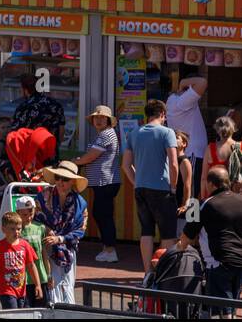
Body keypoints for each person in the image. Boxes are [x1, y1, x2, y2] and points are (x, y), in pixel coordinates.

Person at [122, 99, 180, 274]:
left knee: (146, 231)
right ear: (162, 114)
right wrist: (174, 186)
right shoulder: (167, 132)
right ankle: (164, 273)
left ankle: (148, 272)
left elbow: (125, 165)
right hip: (162, 188)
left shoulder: (134, 133)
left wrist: (136, 181)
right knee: (168, 233)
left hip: (141, 188)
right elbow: (174, 164)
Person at [179, 166, 242, 300]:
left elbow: (186, 238)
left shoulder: (200, 205)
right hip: (241, 262)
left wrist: (177, 251)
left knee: (222, 310)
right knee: (233, 304)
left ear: (210, 184)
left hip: (218, 263)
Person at [72, 105, 122, 263]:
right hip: (102, 182)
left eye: (102, 118)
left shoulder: (106, 134)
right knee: (101, 214)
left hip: (105, 181)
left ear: (108, 121)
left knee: (103, 215)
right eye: (96, 117)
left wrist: (75, 162)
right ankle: (107, 247)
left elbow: (90, 157)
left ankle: (110, 249)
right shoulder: (103, 135)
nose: (99, 120)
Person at [34, 161, 89, 304]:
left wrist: (60, 238)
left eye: (65, 179)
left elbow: (81, 230)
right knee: (52, 287)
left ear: (73, 182)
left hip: (68, 249)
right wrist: (46, 229)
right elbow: (33, 218)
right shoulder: (43, 196)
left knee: (68, 286)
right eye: (57, 177)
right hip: (46, 247)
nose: (60, 182)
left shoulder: (80, 203)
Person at [0, 211, 42, 310]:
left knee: (20, 315)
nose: (16, 232)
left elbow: (31, 266)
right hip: (6, 291)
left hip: (21, 290)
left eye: (19, 229)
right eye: (12, 229)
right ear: (3, 229)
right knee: (12, 313)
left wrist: (38, 285)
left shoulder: (25, 245)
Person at [167, 71, 209, 199]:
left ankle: (184, 217)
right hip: (192, 154)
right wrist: (182, 83)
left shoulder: (176, 101)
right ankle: (191, 218)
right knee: (191, 191)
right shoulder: (182, 101)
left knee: (186, 190)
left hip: (190, 154)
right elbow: (203, 83)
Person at [15, 196, 52, 307]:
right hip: (24, 279)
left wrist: (49, 275)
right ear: (18, 212)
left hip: (41, 276)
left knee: (42, 309)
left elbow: (44, 254)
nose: (29, 218)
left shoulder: (40, 228)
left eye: (31, 214)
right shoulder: (15, 230)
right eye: (25, 215)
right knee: (26, 310)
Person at [9, 73, 66, 139]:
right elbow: (61, 131)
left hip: (30, 147)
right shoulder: (55, 104)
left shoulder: (23, 107)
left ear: (25, 90)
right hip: (50, 147)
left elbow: (15, 133)